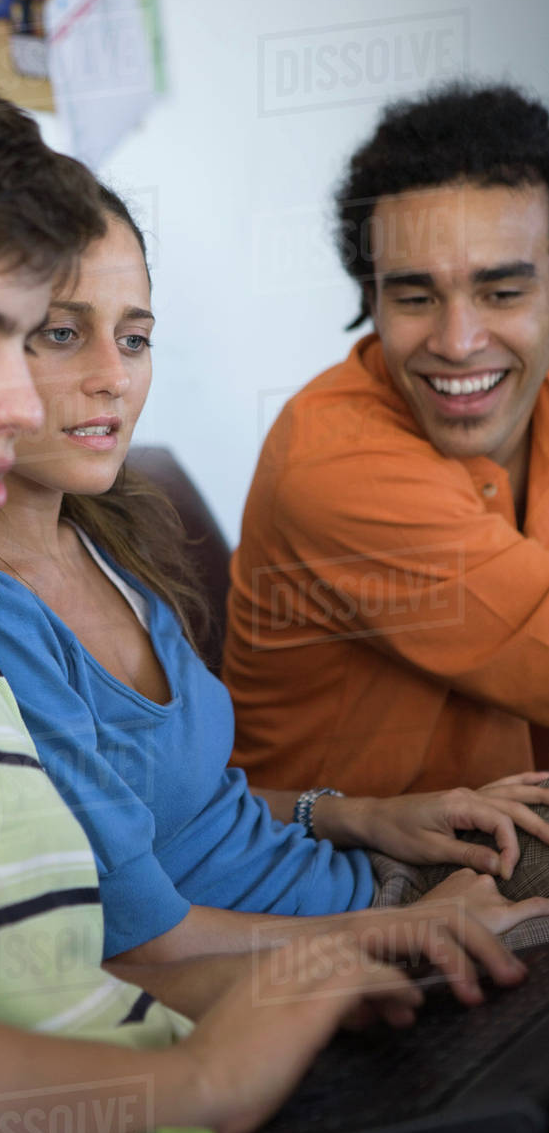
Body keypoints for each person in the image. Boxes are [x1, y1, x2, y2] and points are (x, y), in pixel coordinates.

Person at [0, 39, 519, 1133]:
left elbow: (76, 970)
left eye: (31, 341)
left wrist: (332, 921)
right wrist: (204, 1076)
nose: (29, 400)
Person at [0, 185, 549, 971]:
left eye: (135, 338)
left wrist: (362, 817)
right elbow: (137, 945)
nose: (113, 376)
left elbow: (196, 807)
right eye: (59, 333)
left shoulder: (100, 532)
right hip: (312, 957)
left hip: (353, 878)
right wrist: (404, 926)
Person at [222, 81, 549, 798]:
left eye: (501, 293)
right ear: (368, 299)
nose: (457, 342)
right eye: (413, 297)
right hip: (352, 872)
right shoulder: (334, 462)